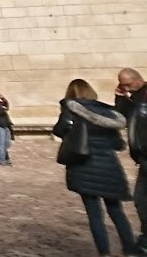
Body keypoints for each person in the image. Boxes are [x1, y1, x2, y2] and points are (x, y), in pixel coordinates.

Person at [53, 79, 139, 256]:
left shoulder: (71, 108)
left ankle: (104, 253)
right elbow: (118, 144)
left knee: (94, 214)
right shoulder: (107, 112)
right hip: (109, 165)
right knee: (117, 211)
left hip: (84, 166)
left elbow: (59, 130)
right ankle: (129, 249)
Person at [117, 68, 145, 239]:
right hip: (142, 157)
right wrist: (120, 98)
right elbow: (120, 118)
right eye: (123, 85)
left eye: (128, 84)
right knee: (141, 200)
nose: (126, 88)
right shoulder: (132, 98)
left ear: (138, 79)